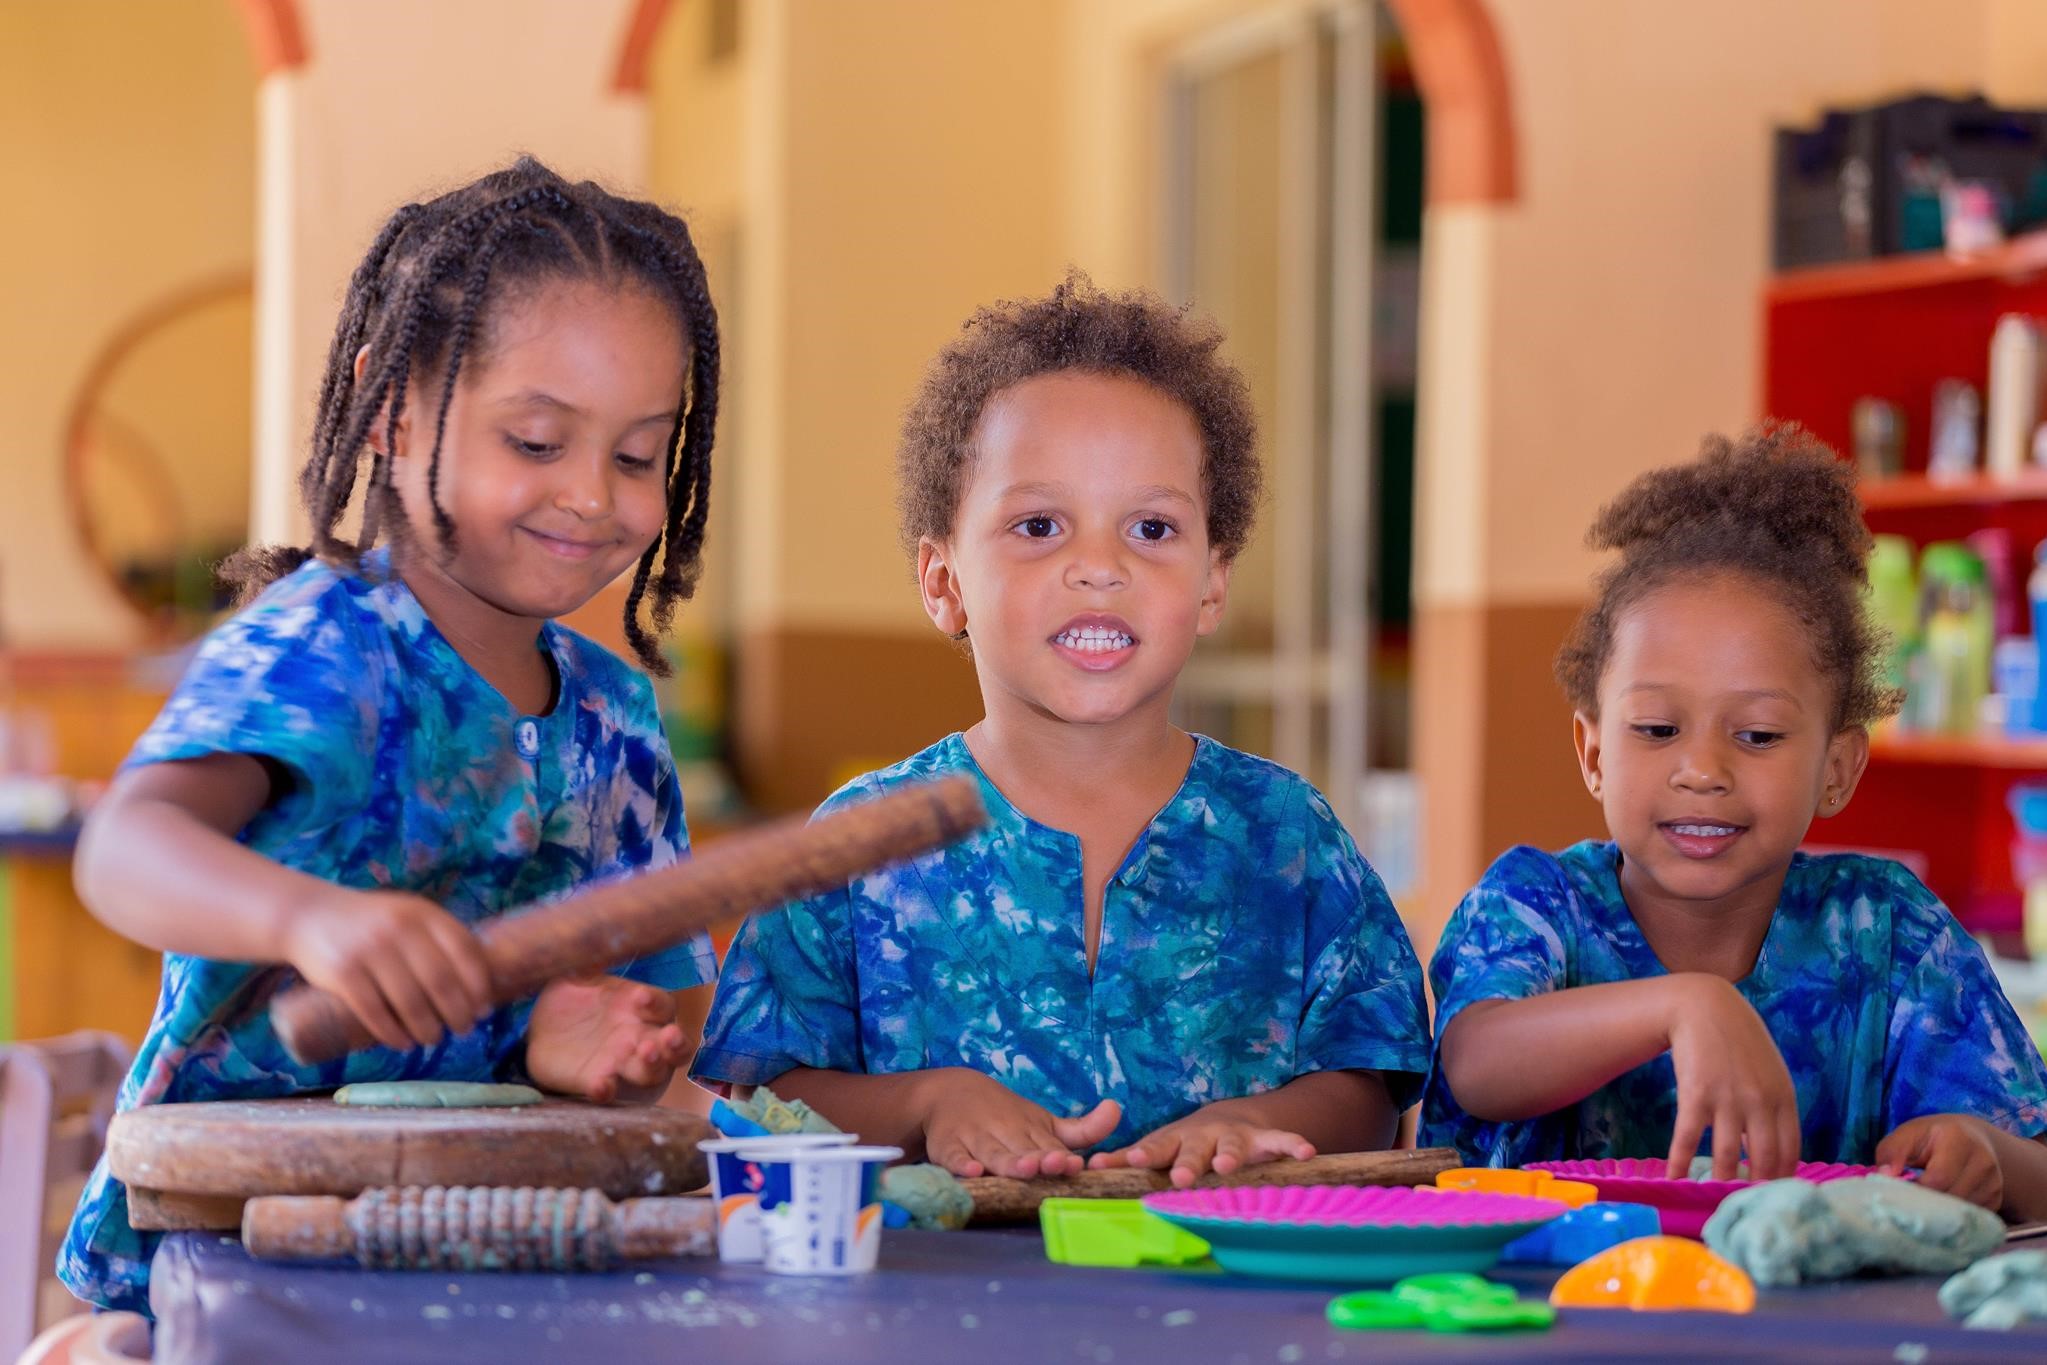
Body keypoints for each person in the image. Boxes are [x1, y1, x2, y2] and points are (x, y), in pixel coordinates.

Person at [62, 157, 724, 1313]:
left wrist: (583, 1044)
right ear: (391, 409)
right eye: (536, 441)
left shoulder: (617, 724)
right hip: (227, 1266)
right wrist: (307, 920)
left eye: (634, 456)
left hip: (504, 1276)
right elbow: (123, 850)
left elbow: (648, 1028)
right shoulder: (325, 646)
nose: (591, 495)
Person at [694, 275, 1430, 1187]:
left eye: (1151, 527)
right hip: (930, 1278)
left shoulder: (1287, 831)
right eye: (1039, 524)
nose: (1098, 566)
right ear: (943, 582)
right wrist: (925, 1104)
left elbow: (1369, 1079)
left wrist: (1257, 1121)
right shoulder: (856, 843)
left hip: (1225, 1270)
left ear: (1211, 583)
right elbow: (760, 1095)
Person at [1421, 425, 2047, 1219]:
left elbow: (2035, 1168)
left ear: (1836, 767)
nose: (1702, 770)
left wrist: (1985, 1153)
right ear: (1593, 752)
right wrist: (1683, 1005)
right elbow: (1476, 1059)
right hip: (1554, 1296)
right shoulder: (1535, 902)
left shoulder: (1890, 931)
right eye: (1656, 729)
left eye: (1756, 735)